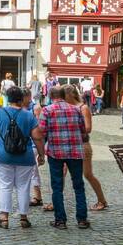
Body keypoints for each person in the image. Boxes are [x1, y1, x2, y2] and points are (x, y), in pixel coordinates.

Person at [0, 86, 45, 229]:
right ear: (22, 99)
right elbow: (38, 137)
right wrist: (41, 155)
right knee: (23, 186)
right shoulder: (29, 116)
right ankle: (23, 218)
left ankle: (4, 218)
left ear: (8, 99)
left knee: (4, 185)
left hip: (3, 156)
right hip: (25, 157)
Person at [40, 86, 89, 230]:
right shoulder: (76, 109)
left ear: (51, 96)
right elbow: (83, 130)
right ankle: (82, 219)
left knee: (57, 187)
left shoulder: (47, 110)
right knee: (78, 186)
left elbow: (41, 132)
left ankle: (60, 220)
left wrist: (40, 152)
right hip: (75, 152)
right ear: (63, 95)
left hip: (56, 152)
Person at [65, 85, 108, 211]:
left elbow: (88, 128)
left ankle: (102, 200)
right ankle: (55, 202)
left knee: (88, 174)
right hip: (69, 145)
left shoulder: (83, 108)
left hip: (82, 145)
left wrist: (69, 128)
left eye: (64, 95)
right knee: (62, 172)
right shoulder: (68, 107)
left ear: (71, 95)